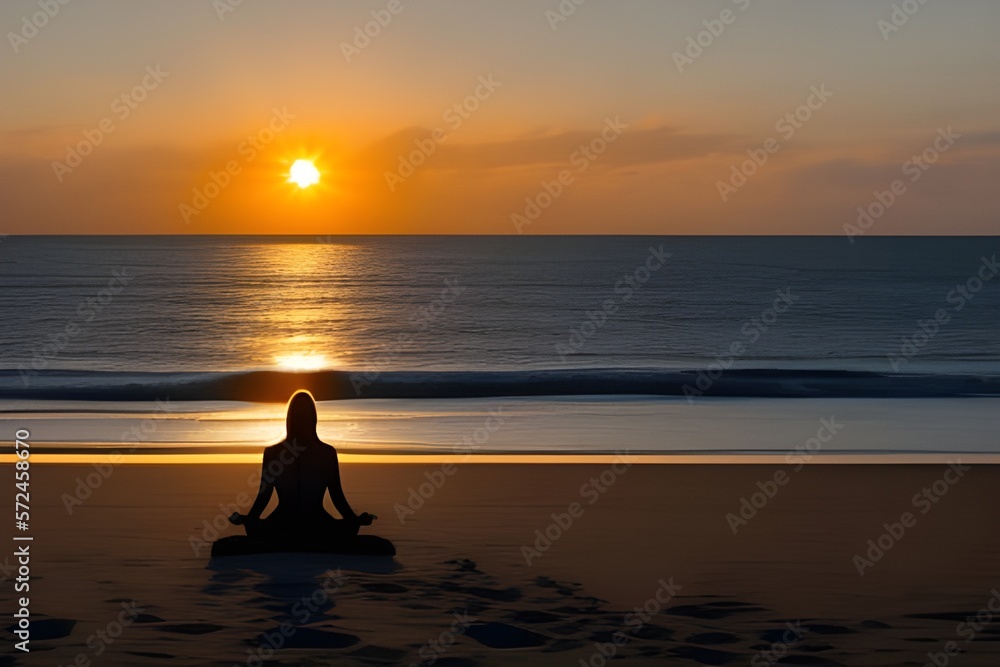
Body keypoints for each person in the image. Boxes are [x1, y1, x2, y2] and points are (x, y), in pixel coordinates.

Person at [229, 390, 375, 544]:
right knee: (347, 532)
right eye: (300, 416)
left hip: (290, 525)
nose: (302, 420)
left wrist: (355, 520)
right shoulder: (279, 453)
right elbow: (263, 497)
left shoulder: (324, 453)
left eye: (304, 416)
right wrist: (249, 520)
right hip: (309, 525)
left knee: (258, 531)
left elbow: (337, 496)